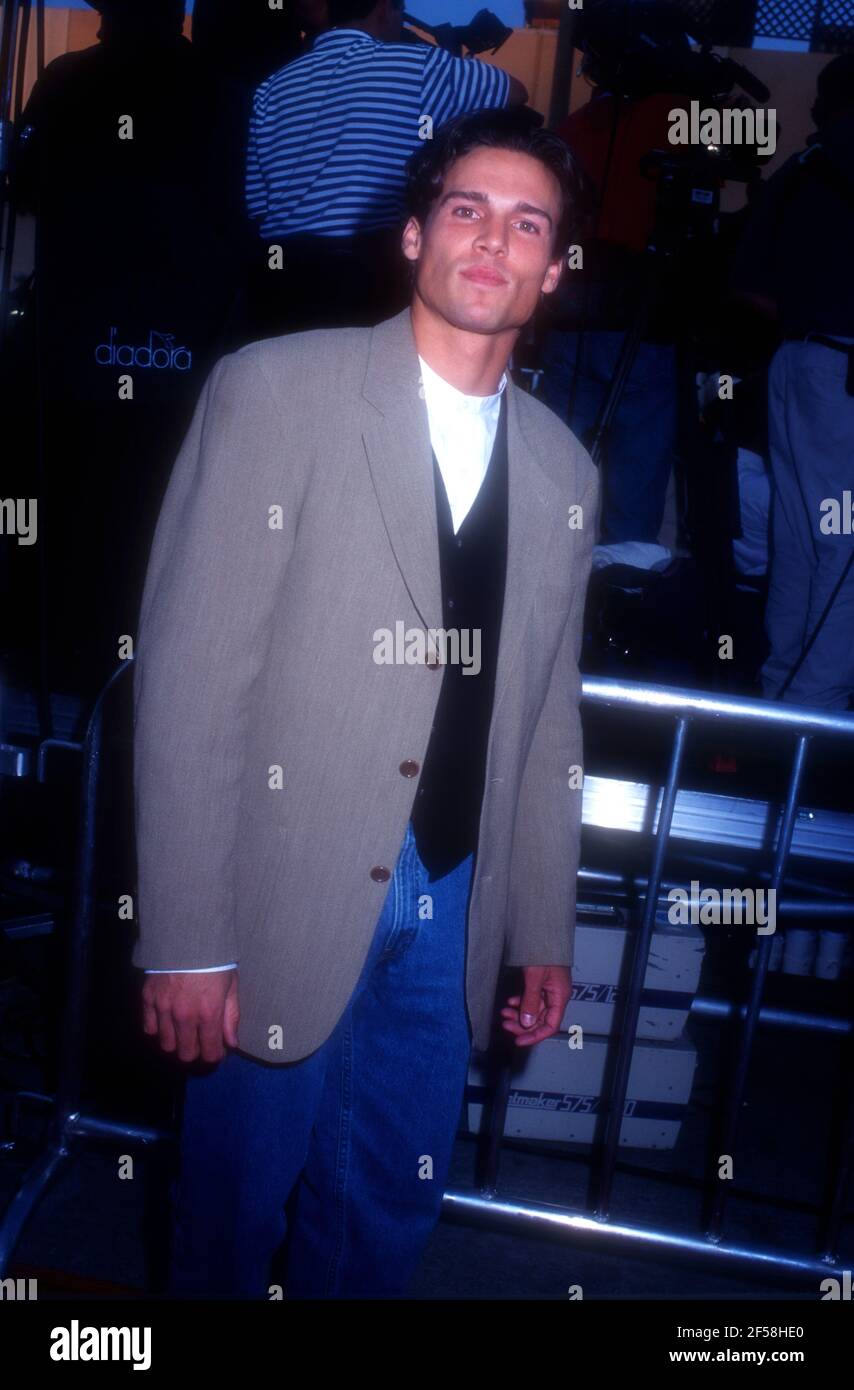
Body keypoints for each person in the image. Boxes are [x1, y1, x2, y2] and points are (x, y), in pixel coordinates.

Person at [133, 107, 595, 1300]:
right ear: (410, 236)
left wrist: (539, 923)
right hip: (276, 887)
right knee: (227, 1218)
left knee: (385, 1205)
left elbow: (547, 717)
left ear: (553, 268)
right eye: (465, 211)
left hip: (452, 900)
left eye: (525, 223)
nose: (492, 242)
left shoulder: (563, 468)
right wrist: (187, 936)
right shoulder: (278, 389)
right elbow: (189, 678)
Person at [244, 0, 528, 335]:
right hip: (371, 275)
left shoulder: (270, 88)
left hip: (281, 278)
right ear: (383, 9)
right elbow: (515, 92)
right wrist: (449, 55)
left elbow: (258, 206)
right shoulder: (423, 66)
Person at [731, 54, 854, 710]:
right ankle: (817, 714)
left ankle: (778, 702)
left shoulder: (801, 168)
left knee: (799, 538)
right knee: (847, 552)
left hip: (796, 365)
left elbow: (747, 283)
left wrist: (809, 320)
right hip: (842, 373)